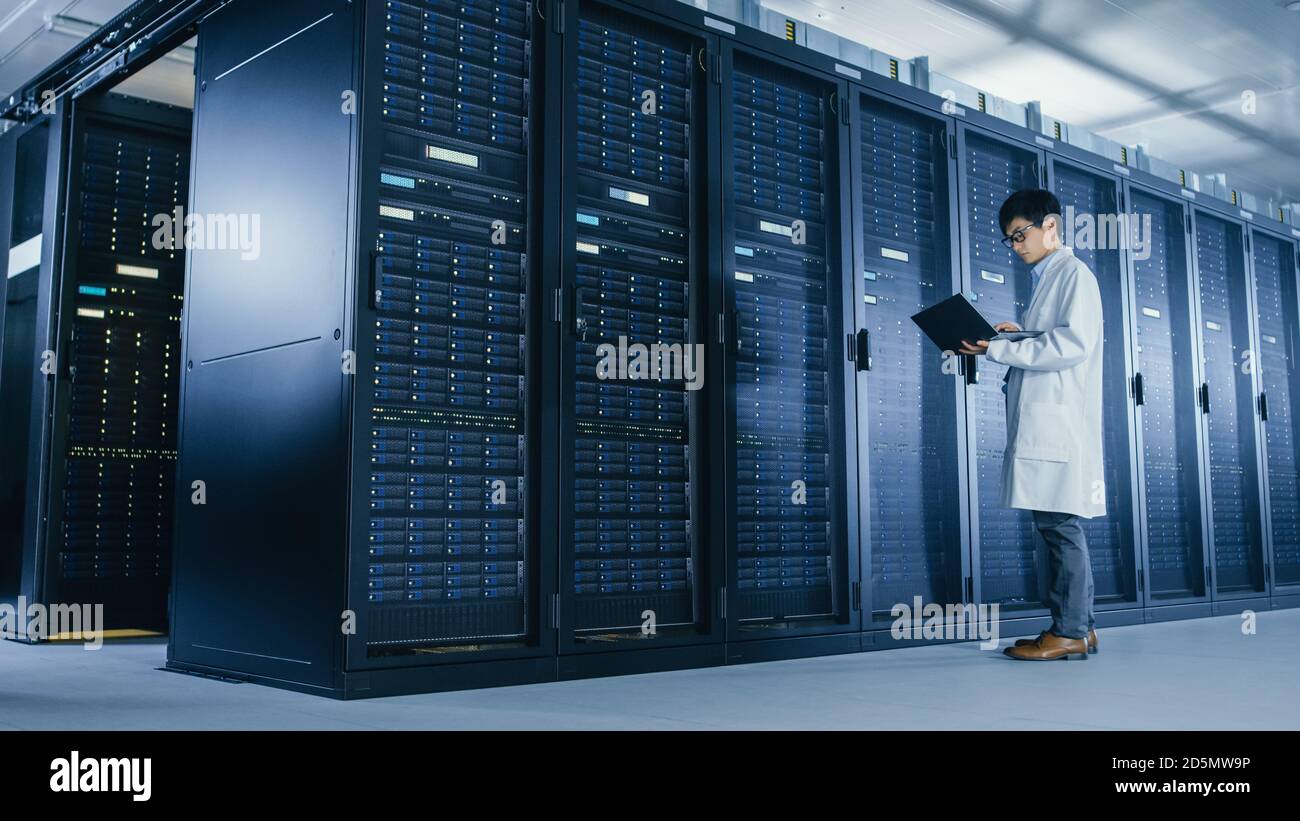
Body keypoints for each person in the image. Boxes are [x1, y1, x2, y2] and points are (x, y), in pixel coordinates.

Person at [957, 189, 1106, 661]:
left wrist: (998, 349)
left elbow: (1073, 345)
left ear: (1052, 227)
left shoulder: (1073, 274)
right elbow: (1051, 339)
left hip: (1060, 425)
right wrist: (1016, 337)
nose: (1017, 245)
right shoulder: (1051, 279)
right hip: (1049, 423)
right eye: (1009, 239)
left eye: (1021, 234)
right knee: (1055, 525)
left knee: (1060, 526)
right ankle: (1079, 628)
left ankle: (1071, 630)